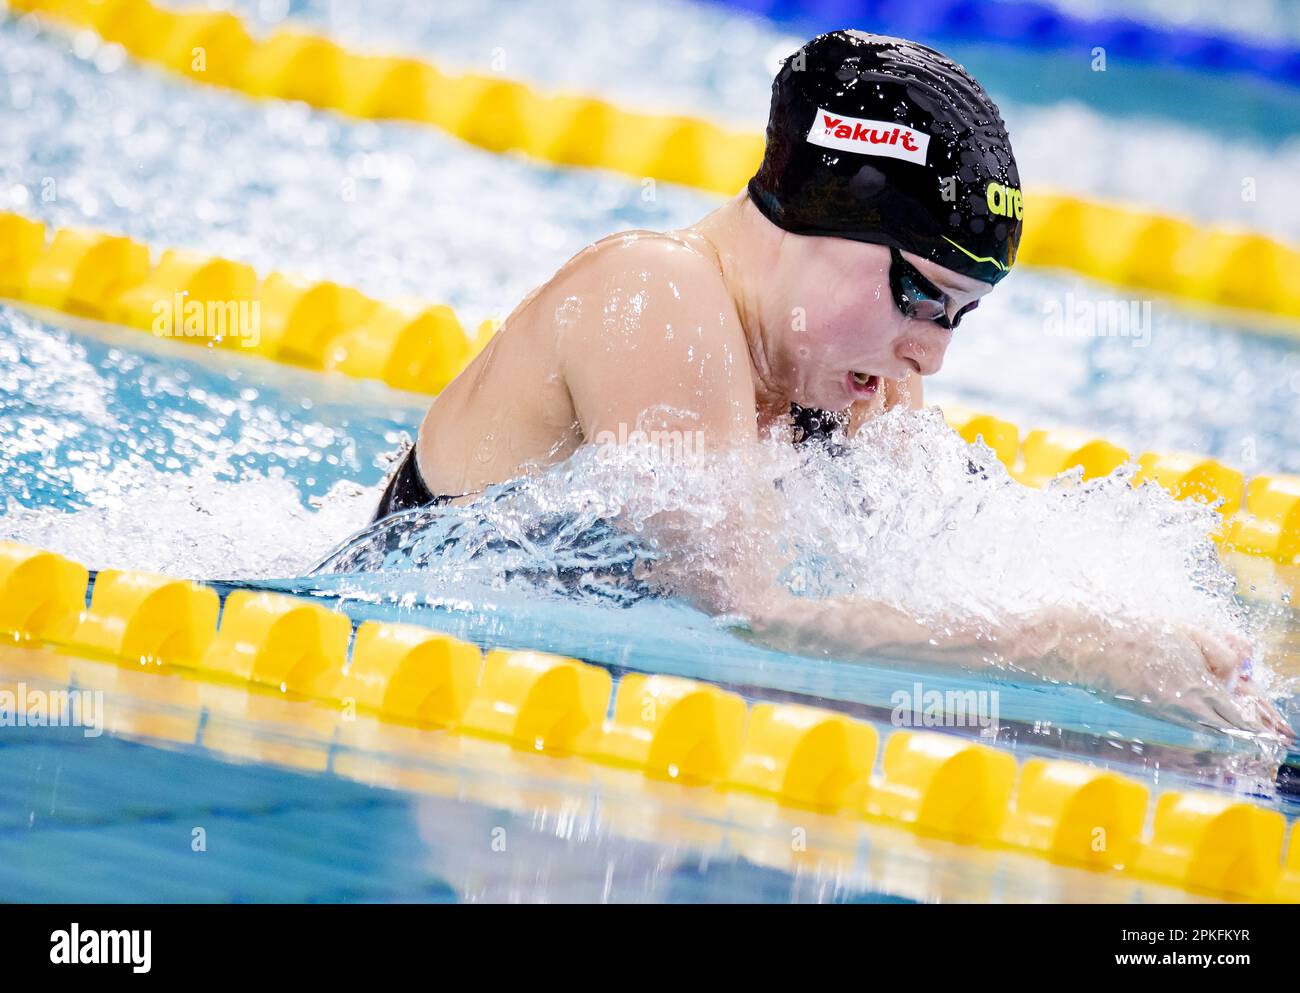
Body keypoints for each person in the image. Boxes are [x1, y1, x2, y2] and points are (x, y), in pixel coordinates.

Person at [366, 30, 1289, 737]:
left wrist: (1209, 650)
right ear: (824, 214)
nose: (930, 357)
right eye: (919, 294)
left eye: (956, 316)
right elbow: (744, 619)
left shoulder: (849, 376)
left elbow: (942, 578)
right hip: (424, 692)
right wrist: (1078, 650)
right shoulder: (653, 292)